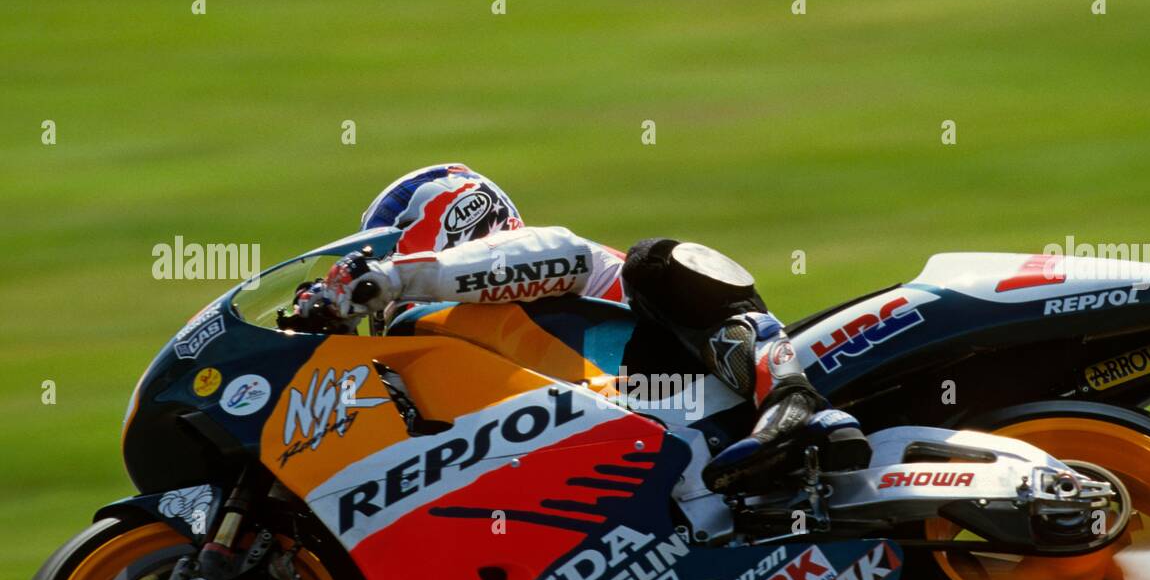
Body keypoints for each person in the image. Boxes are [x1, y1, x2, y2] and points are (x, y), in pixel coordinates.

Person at [297, 163, 868, 492]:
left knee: (659, 259)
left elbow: (556, 250)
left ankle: (793, 399)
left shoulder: (552, 264)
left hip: (689, 402)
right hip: (600, 476)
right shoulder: (426, 345)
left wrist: (396, 277)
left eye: (397, 256)